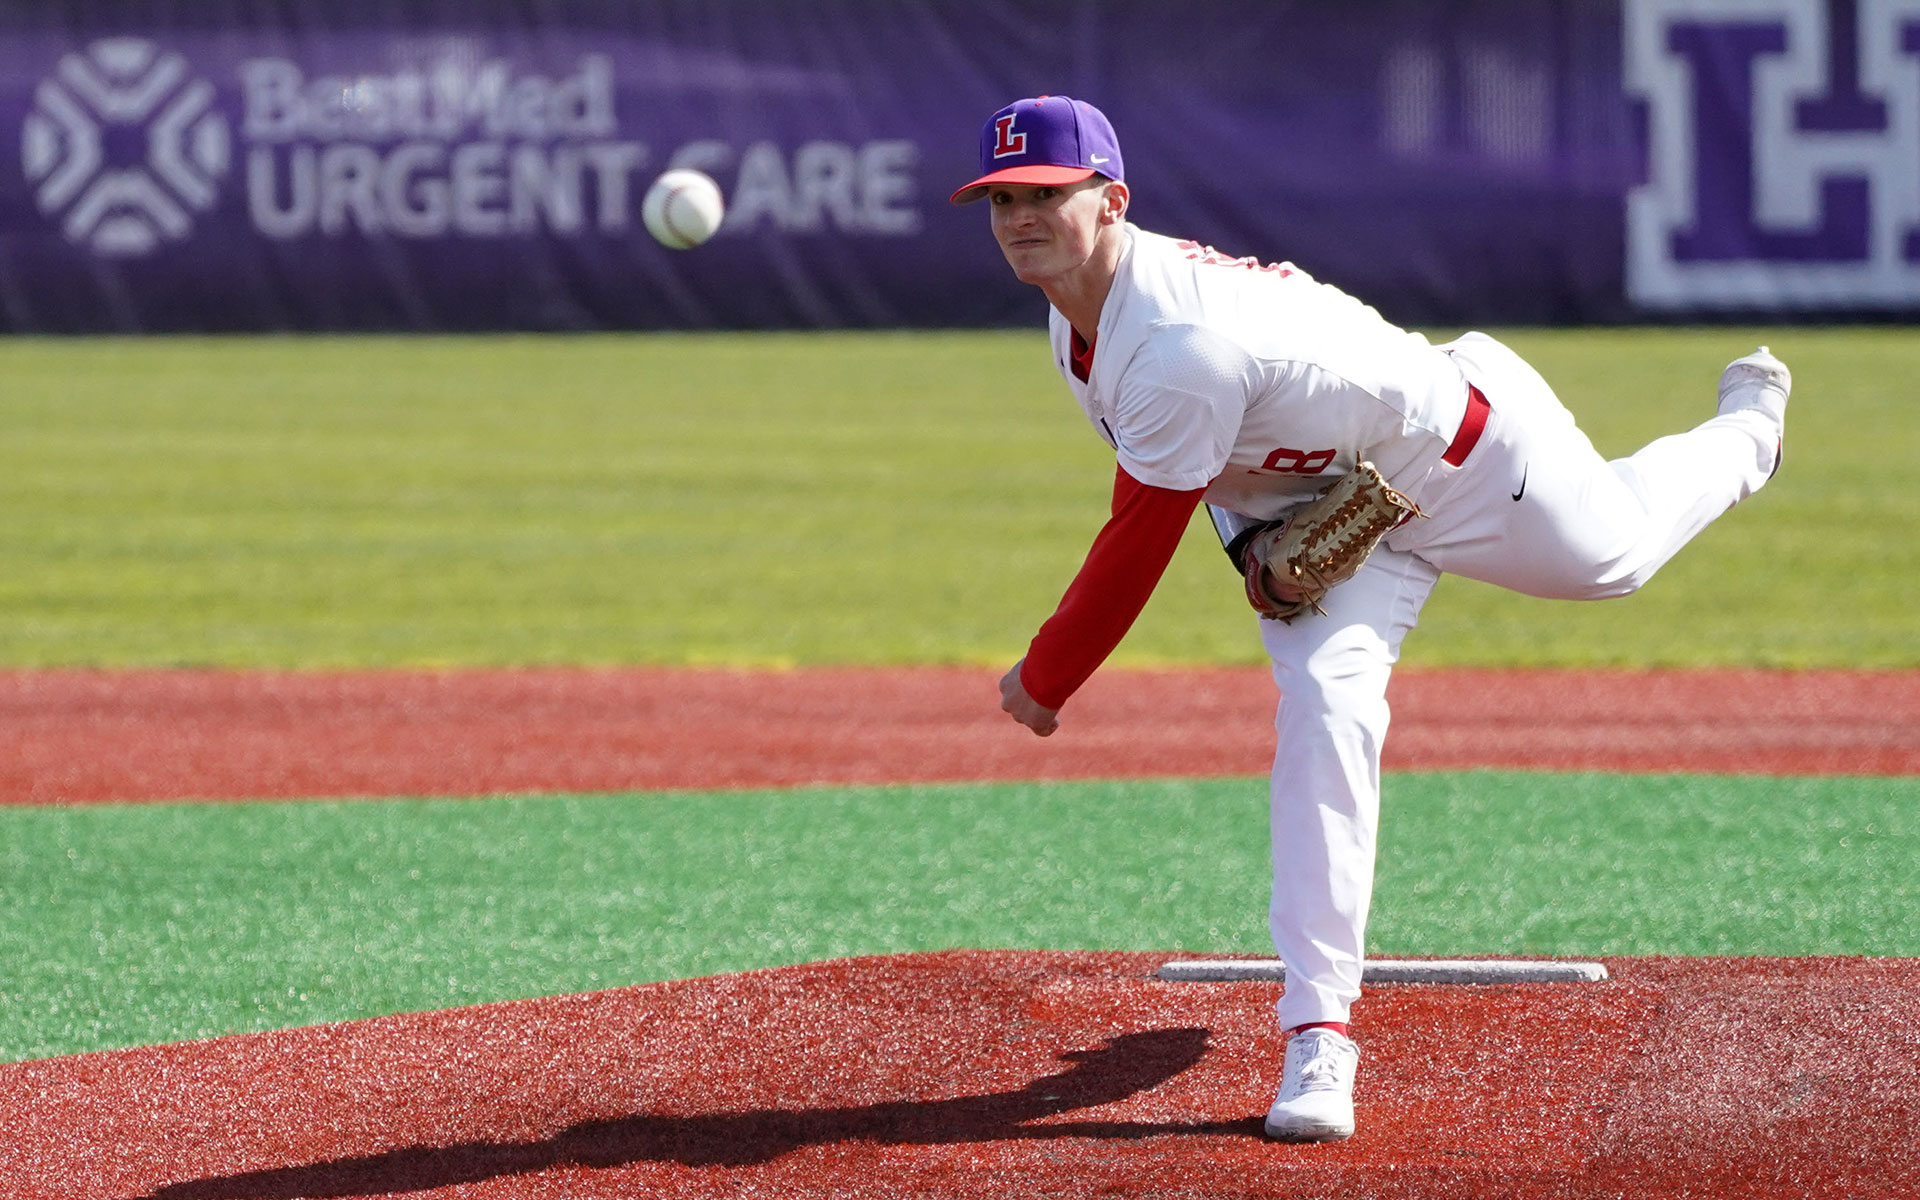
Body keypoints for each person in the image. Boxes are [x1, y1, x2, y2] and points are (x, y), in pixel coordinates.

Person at [951, 95, 1790, 1142]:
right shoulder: (1075, 318)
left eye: (1044, 195)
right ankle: (1319, 1034)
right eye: (999, 199)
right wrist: (1254, 550)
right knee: (1326, 714)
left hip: (1468, 457)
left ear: (1111, 200)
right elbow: (1208, 469)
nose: (1018, 217)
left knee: (1615, 555)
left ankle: (1747, 436)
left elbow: (1138, 533)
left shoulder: (1175, 340)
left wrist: (1046, 677)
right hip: (1331, 514)